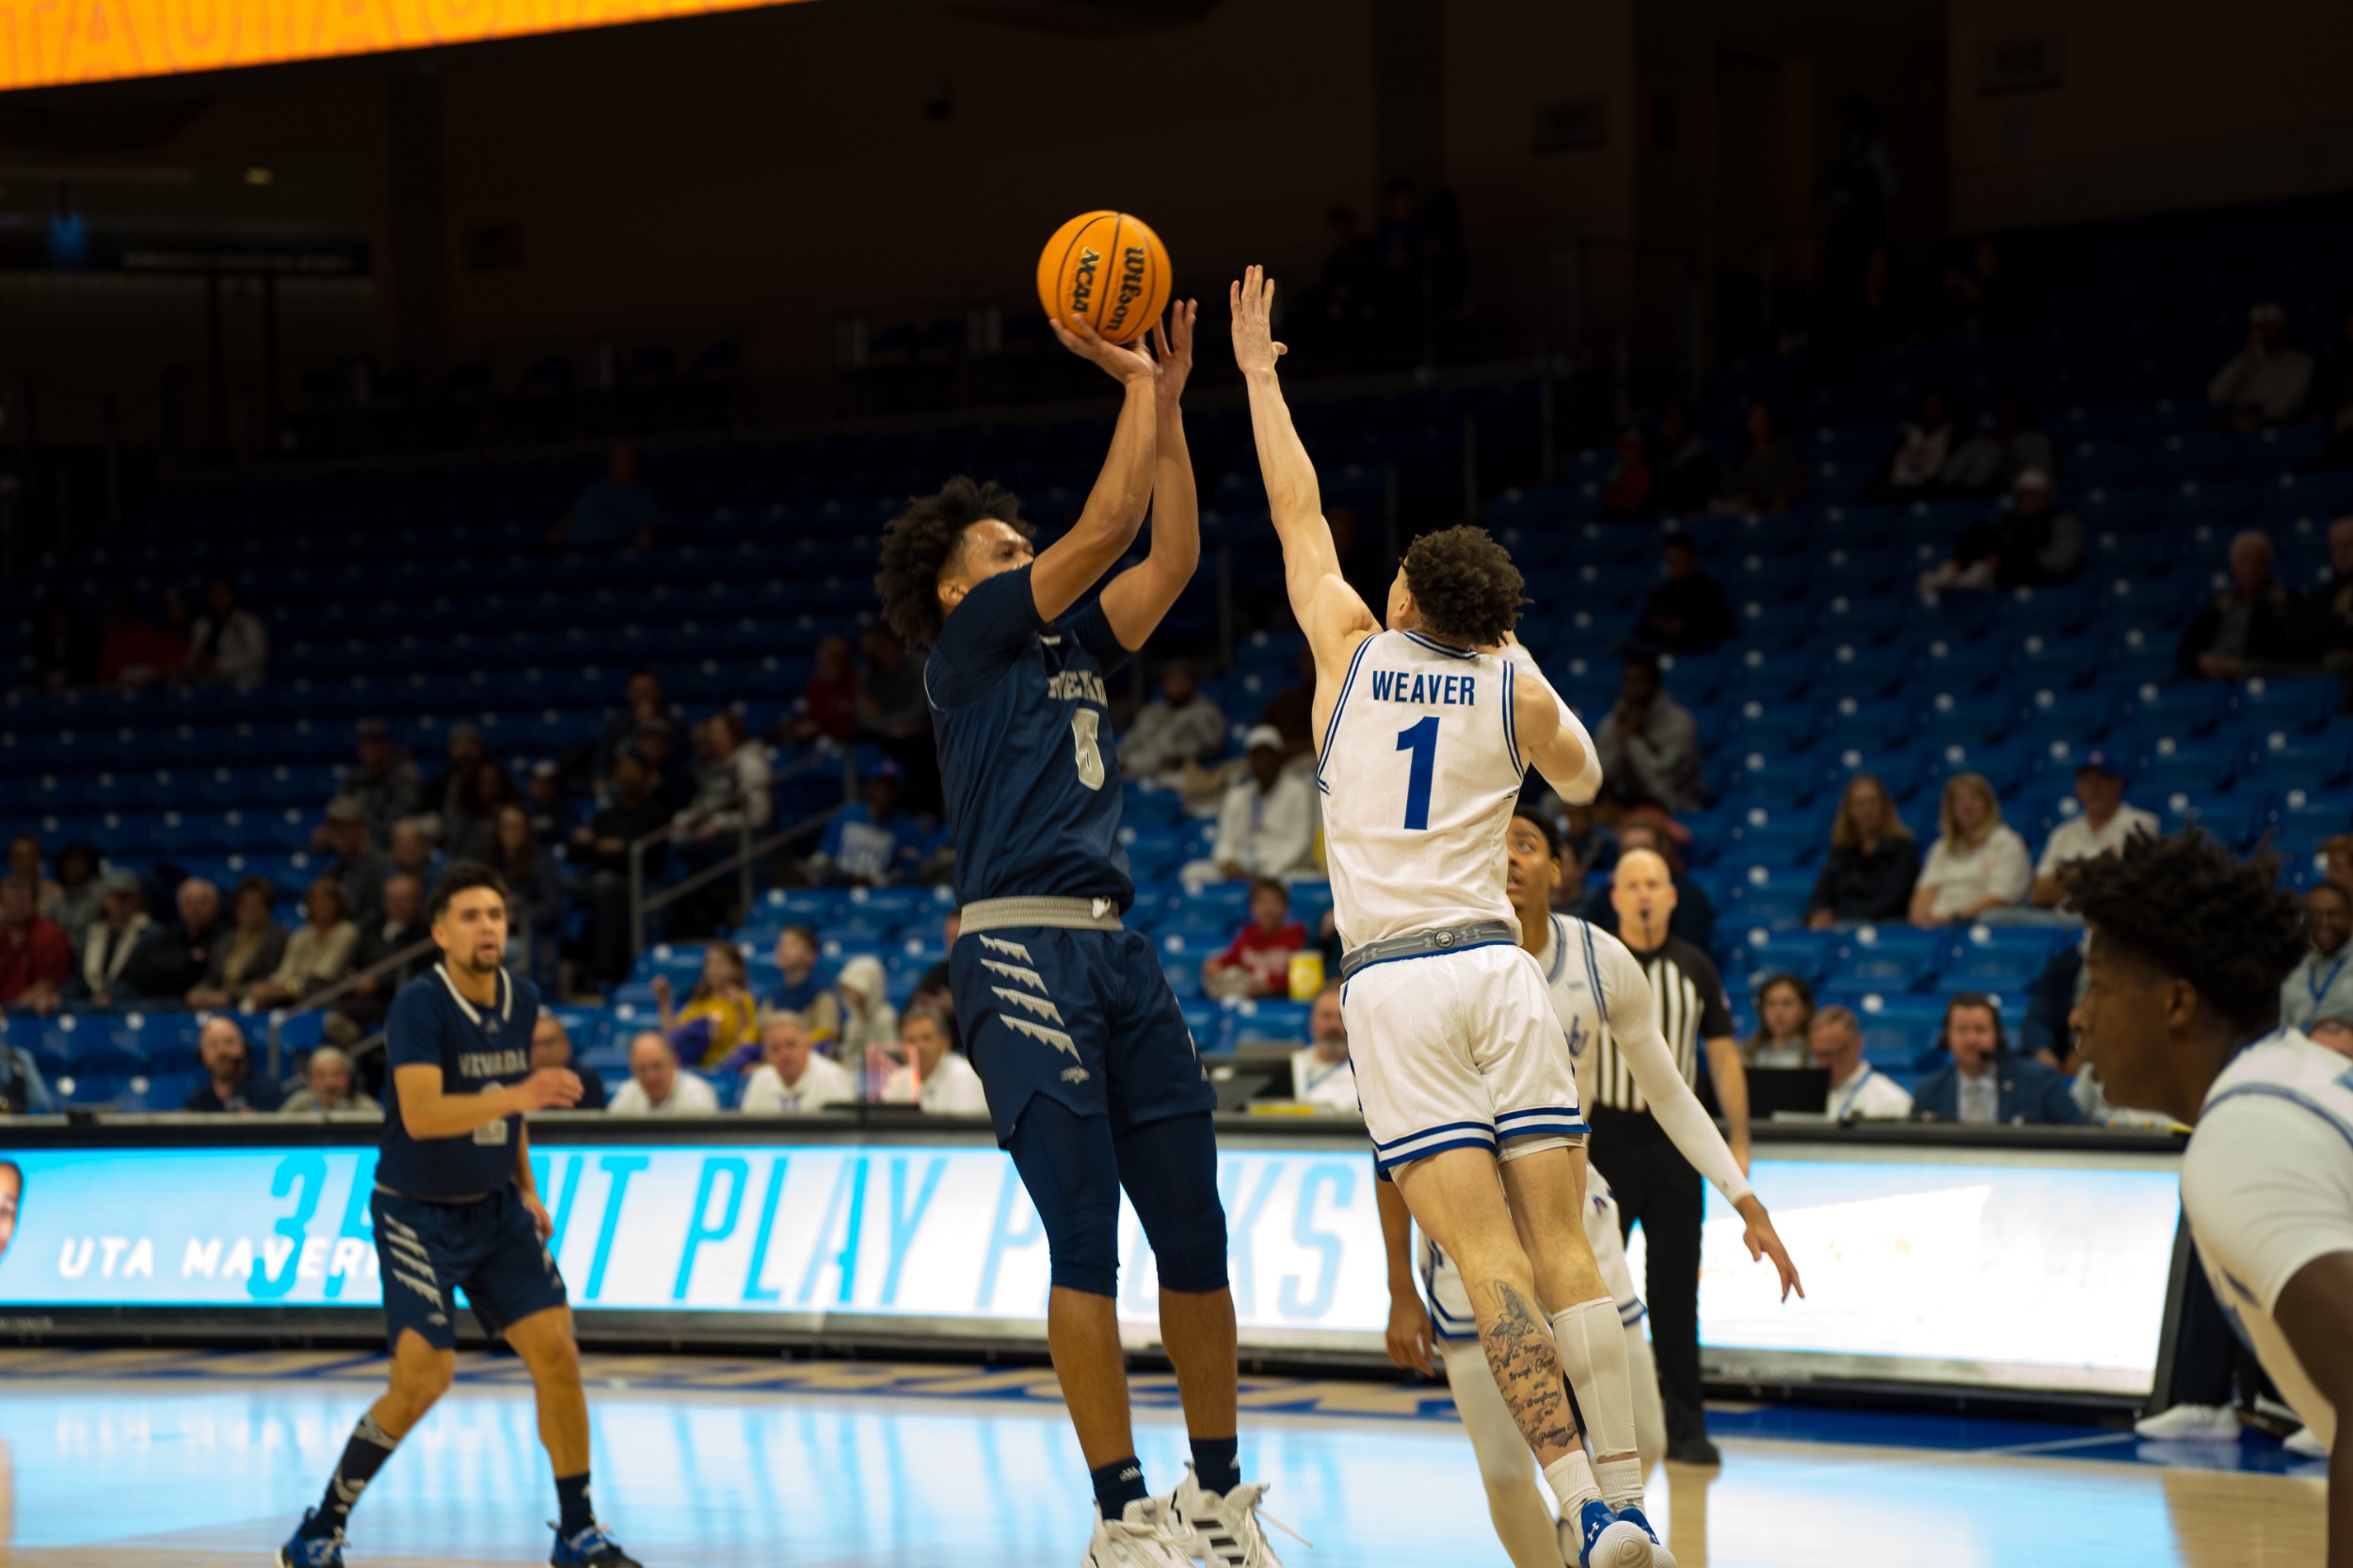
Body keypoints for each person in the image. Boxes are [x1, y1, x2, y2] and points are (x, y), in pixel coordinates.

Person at [1232, 267, 1675, 1566]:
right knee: (1565, 1239)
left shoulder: (1351, 651)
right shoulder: (1513, 692)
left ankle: (1578, 1501)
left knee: (1485, 1262)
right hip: (1500, 970)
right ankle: (1633, 1498)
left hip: (1396, 985)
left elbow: (1296, 510)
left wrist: (1262, 376)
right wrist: (1521, 676)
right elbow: (1593, 777)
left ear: (1411, 600)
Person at [877, 297, 1278, 1567]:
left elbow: (1165, 553)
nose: (1030, 549)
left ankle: (1214, 1499)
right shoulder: (971, 640)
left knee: (1197, 1230)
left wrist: (1166, 399)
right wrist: (1133, 387)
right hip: (1014, 943)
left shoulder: (1066, 637)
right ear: (957, 584)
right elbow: (1108, 527)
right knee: (1086, 1236)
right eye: (1007, 544)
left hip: (1118, 946)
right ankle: (1120, 1509)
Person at [1379, 808, 1799, 1568]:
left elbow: (1670, 1092)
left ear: (1558, 870)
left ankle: (1603, 1536)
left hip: (1574, 1216)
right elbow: (1386, 1145)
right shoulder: (1425, 970)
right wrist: (1398, 1286)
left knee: (1651, 1431)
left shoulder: (1599, 960)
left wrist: (1744, 1197)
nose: (1506, 858)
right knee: (1508, 1473)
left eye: (1526, 844)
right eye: (1490, 843)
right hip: (1470, 1235)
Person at [274, 863, 636, 1568]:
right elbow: (425, 1113)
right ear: (440, 933)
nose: (487, 927)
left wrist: (527, 1187)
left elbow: (509, 1108)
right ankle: (321, 1528)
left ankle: (577, 1530)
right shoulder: (419, 1004)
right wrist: (521, 1091)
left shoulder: (522, 996)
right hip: (416, 1215)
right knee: (423, 1380)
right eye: (470, 916)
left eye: (496, 914)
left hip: (495, 1210)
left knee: (558, 1354)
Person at [2061, 828, 2353, 1535]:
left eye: (2098, 988)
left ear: (2177, 1004)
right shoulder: (2291, 1075)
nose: (2078, 1017)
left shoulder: (2242, 1139)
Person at [1593, 847, 1754, 1469]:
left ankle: (1687, 1430)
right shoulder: (1595, 964)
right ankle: (1597, 1431)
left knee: (1675, 1295)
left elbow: (1723, 1056)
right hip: (1603, 1140)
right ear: (1615, 896)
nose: (1643, 894)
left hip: (1673, 1145)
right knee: (1596, 1292)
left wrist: (1738, 1143)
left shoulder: (1695, 969)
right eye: (1632, 884)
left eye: (1653, 883)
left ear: (1671, 896)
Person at [570, 751, 669, 985]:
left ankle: (604, 970)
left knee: (605, 883)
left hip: (637, 886)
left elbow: (646, 857)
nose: (626, 776)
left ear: (646, 776)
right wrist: (601, 846)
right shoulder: (607, 815)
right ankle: (563, 958)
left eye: (632, 770)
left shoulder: (656, 812)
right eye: (621, 771)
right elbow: (575, 850)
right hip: (597, 879)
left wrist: (601, 847)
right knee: (560, 884)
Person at [1911, 993, 2083, 1125]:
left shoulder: (2039, 1081)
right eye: (1962, 1030)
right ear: (1946, 1038)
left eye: (1981, 1030)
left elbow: (2079, 1135)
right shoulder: (1928, 1091)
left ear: (1998, 1037)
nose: (1972, 1040)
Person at [1916, 468, 2086, 597]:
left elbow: (2063, 560)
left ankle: (1981, 574)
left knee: (2017, 544)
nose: (2029, 500)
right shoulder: (2013, 518)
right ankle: (1951, 571)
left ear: (2047, 496)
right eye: (2025, 495)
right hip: (2006, 571)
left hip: (2040, 574)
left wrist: (2030, 555)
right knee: (1981, 530)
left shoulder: (2063, 519)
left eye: (2035, 495)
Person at [1189, 725, 1318, 890]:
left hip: (1281, 869)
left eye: (1267, 754)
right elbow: (1225, 840)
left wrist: (1267, 871)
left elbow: (1300, 843)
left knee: (1308, 881)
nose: (1262, 762)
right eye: (1257, 756)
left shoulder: (1299, 790)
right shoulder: (1240, 794)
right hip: (1242, 866)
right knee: (1193, 873)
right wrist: (1228, 861)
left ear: (1278, 757)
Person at [2027, 753, 2159, 911]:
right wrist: (2101, 875)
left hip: (2118, 917)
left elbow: (2133, 884)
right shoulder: (2063, 832)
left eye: (2101, 780)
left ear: (2117, 784)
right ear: (2077, 788)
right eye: (2086, 781)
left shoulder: (2142, 824)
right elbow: (2041, 892)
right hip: (2064, 918)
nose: (2093, 787)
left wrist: (2070, 878)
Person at [2178, 529, 2311, 680]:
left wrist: (2241, 665)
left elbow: (2291, 653)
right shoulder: (2220, 603)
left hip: (2258, 680)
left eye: (2258, 560)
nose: (2251, 567)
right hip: (2213, 680)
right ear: (2233, 566)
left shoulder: (2287, 603)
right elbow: (2186, 647)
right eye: (2244, 560)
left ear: (2269, 564)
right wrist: (2201, 659)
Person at [1910, 772, 2032, 926]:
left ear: (1988, 804)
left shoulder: (2008, 843)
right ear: (1951, 809)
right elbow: (1925, 891)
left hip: (1981, 926)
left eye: (1975, 798)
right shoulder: (1941, 847)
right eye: (1959, 800)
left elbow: (2000, 899)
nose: (1967, 806)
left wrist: (1951, 919)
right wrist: (1921, 921)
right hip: (1937, 925)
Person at [1592, 652, 1704, 816]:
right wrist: (1620, 742)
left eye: (1640, 680)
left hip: (1673, 803)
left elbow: (1663, 784)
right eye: (1628, 681)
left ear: (1655, 684)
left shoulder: (1679, 723)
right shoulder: (1612, 723)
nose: (1633, 688)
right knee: (1559, 802)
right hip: (1619, 806)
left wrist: (1631, 741)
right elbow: (1601, 777)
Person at [1804, 774, 1920, 928]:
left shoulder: (1904, 850)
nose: (1867, 810)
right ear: (1849, 810)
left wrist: (1837, 918)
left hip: (1881, 929)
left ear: (1884, 807)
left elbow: (1889, 903)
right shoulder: (1841, 851)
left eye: (1872, 802)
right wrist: (1818, 913)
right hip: (1840, 924)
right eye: (1860, 803)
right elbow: (1821, 895)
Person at [330, 873, 432, 1041]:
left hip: (392, 997)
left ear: (418, 901)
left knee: (340, 1008)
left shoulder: (424, 932)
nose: (400, 905)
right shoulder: (373, 926)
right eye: (394, 900)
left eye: (405, 899)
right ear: (384, 902)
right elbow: (354, 959)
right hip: (358, 991)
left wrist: (377, 984)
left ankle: (349, 1038)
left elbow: (417, 971)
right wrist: (352, 975)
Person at [244, 877, 360, 1011]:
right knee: (255, 995)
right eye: (316, 899)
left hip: (324, 997)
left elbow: (323, 976)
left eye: (327, 899)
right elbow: (285, 972)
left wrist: (282, 991)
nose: (321, 905)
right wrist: (267, 987)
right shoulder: (300, 935)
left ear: (338, 903)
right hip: (290, 994)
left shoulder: (346, 933)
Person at [807, 765, 930, 886]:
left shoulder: (908, 827)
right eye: (880, 784)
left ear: (899, 790)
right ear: (870, 785)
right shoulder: (847, 815)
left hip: (879, 894)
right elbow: (825, 856)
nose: (885, 791)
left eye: (891, 786)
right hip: (840, 887)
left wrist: (879, 880)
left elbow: (908, 873)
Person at [651, 941, 759, 1072]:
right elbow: (673, 1034)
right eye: (709, 964)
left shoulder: (745, 1000)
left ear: (736, 968)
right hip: (696, 1070)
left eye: (720, 964)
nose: (714, 970)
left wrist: (740, 1008)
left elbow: (745, 1045)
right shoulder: (700, 1001)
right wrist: (664, 1001)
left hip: (729, 1070)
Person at [490, 805, 564, 993]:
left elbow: (551, 908)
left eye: (515, 827)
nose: (509, 832)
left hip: (526, 937)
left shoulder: (541, 863)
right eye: (504, 827)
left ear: (526, 830)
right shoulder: (493, 864)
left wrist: (517, 916)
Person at [1115, 660, 1227, 783]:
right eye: (1172, 680)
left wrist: (1172, 753)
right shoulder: (1151, 711)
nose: (1177, 685)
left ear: (1192, 683)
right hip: (1136, 771)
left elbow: (1212, 745)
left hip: (1176, 773)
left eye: (1181, 680)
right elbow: (1130, 740)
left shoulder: (1206, 712)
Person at [187, 876, 289, 1011]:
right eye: (244, 905)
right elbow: (212, 977)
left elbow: (268, 981)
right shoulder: (226, 939)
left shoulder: (277, 939)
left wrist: (229, 997)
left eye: (255, 905)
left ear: (267, 908)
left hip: (252, 1004)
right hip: (218, 1001)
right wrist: (199, 992)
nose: (249, 910)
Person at [2208, 302, 2313, 429]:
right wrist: (2244, 357)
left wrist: (2258, 414)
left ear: (2282, 328)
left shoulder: (2300, 362)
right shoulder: (2246, 361)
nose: (2264, 333)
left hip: (2279, 425)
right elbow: (2216, 395)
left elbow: (2291, 402)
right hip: (2239, 427)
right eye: (2259, 328)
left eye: (2269, 327)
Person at [118, 876, 223, 1003]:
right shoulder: (167, 937)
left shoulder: (226, 939)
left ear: (216, 905)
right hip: (164, 1005)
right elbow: (145, 973)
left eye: (202, 902)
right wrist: (190, 961)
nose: (196, 909)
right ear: (179, 908)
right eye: (189, 902)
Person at [1202, 878, 1307, 1001]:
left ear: (1286, 907)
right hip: (1247, 1001)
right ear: (1251, 908)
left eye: (1275, 902)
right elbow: (1219, 963)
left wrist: (1271, 987)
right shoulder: (1246, 938)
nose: (1268, 909)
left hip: (1281, 1002)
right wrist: (1214, 967)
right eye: (1261, 902)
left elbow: (1304, 980)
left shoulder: (1297, 937)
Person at [1630, 533, 1735, 655]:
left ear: (1692, 559)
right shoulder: (1660, 593)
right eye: (1670, 561)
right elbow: (1644, 629)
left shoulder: (1710, 592)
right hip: (1658, 651)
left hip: (1694, 652)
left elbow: (1723, 630)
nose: (1675, 567)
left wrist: (1685, 628)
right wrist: (1661, 626)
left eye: (1680, 560)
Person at [1804, 1006, 1914, 1119]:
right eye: (1818, 1055)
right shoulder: (1804, 1095)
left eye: (1832, 1054)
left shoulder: (1891, 1101)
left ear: (1857, 1045)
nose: (1824, 1063)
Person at [877, 1005, 988, 1114]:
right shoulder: (897, 1079)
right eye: (911, 1040)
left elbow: (964, 1130)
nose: (919, 1047)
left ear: (945, 1042)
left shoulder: (966, 1075)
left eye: (926, 1038)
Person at [552, 439, 659, 551]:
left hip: (609, 555)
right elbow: (572, 515)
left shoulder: (642, 496)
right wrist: (560, 531)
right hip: (576, 550)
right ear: (611, 462)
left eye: (628, 460)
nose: (624, 465)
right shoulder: (595, 488)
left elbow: (648, 530)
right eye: (619, 460)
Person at [739, 1012, 855, 1113]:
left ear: (808, 1046)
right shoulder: (759, 1080)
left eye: (791, 1045)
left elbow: (846, 1134)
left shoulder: (834, 1077)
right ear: (766, 1056)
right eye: (775, 1048)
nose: (784, 1054)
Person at [71, 869, 152, 1008]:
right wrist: (57, 994)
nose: (119, 902)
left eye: (126, 897)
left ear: (137, 900)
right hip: (94, 1010)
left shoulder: (150, 933)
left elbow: (147, 981)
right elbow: (80, 981)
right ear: (103, 900)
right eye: (114, 896)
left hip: (131, 1008)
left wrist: (114, 997)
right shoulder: (92, 934)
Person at [2281, 882, 2353, 1032]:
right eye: (2315, 915)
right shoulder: (2294, 973)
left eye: (2332, 914)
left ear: (2350, 917)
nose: (2323, 922)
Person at [342, 723, 423, 851]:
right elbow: (342, 810)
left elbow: (401, 818)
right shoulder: (355, 777)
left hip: (392, 843)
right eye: (366, 743)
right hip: (361, 842)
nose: (371, 748)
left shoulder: (405, 774)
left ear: (387, 744)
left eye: (376, 742)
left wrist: (360, 833)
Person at [1716, 400, 1806, 514]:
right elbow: (1727, 483)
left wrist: (1758, 499)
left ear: (1772, 420)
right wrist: (1739, 498)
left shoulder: (1785, 448)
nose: (1759, 422)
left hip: (1773, 509)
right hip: (1739, 510)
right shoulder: (1740, 453)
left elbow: (1791, 482)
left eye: (1763, 417)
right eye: (1754, 418)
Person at [0, 874, 73, 1014]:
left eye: (22, 901)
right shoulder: (2, 936)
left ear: (35, 903)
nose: (16, 907)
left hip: (36, 1016)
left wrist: (8, 1011)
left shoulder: (50, 935)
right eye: (9, 902)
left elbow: (47, 984)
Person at [314, 796, 391, 928]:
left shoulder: (382, 865)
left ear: (360, 827)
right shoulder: (331, 871)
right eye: (333, 826)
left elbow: (378, 915)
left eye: (344, 826)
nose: (337, 833)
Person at [184, 1016, 285, 1112]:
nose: (222, 1051)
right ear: (201, 1055)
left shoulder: (269, 1093)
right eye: (213, 1045)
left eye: (229, 1042)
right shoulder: (197, 1102)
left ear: (245, 1048)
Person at [607, 1029, 719, 1116]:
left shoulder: (698, 1097)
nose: (650, 1077)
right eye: (642, 1069)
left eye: (657, 1066)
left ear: (674, 1063)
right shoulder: (627, 1094)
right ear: (632, 1070)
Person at [185, 577, 268, 686]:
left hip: (242, 684)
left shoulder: (248, 623)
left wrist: (219, 664)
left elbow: (258, 655)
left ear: (232, 595)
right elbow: (193, 656)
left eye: (221, 594)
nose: (217, 598)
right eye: (214, 594)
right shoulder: (202, 624)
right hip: (208, 685)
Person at [765, 925, 840, 1041]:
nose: (781, 949)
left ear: (811, 956)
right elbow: (758, 1034)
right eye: (781, 944)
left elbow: (828, 1036)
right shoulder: (772, 995)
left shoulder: (822, 993)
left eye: (792, 945)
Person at [1288, 983, 1355, 1110]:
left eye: (1341, 1017)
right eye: (1326, 1016)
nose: (1333, 1025)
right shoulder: (1292, 1063)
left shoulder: (1366, 1074)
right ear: (1312, 1020)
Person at [1649, 403, 1719, 520]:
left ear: (1686, 424)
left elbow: (1704, 495)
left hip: (1693, 518)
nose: (1671, 427)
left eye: (1676, 421)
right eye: (1668, 421)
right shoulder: (1655, 455)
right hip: (1660, 519)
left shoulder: (1701, 457)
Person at [789, 635, 859, 745]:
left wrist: (820, 728)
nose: (824, 670)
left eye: (829, 664)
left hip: (851, 742)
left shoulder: (857, 682)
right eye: (820, 665)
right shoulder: (816, 685)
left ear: (843, 662)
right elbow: (810, 718)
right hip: (820, 743)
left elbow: (856, 723)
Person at [531, 1013, 607, 1112]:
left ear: (566, 1044)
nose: (542, 1052)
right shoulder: (518, 1080)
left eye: (548, 1043)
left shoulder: (586, 1080)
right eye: (535, 1045)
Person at [831, 952, 898, 1064]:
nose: (847, 994)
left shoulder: (885, 1017)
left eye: (852, 988)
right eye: (845, 989)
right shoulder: (854, 1019)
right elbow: (849, 1052)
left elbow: (891, 1057)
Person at [421, 723, 488, 830]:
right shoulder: (442, 778)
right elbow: (429, 809)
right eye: (459, 744)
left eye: (469, 744)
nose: (464, 751)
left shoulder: (489, 776)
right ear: (451, 748)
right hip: (447, 831)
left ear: (479, 747)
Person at [280, 1046, 382, 1114]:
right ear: (311, 1080)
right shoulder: (298, 1105)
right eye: (321, 1076)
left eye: (337, 1075)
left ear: (350, 1078)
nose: (330, 1083)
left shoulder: (367, 1109)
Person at [1742, 974, 1815, 1068]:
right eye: (1771, 1004)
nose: (1778, 1013)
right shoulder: (1747, 1052)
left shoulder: (1817, 1052)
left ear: (1805, 1009)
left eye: (1787, 1003)